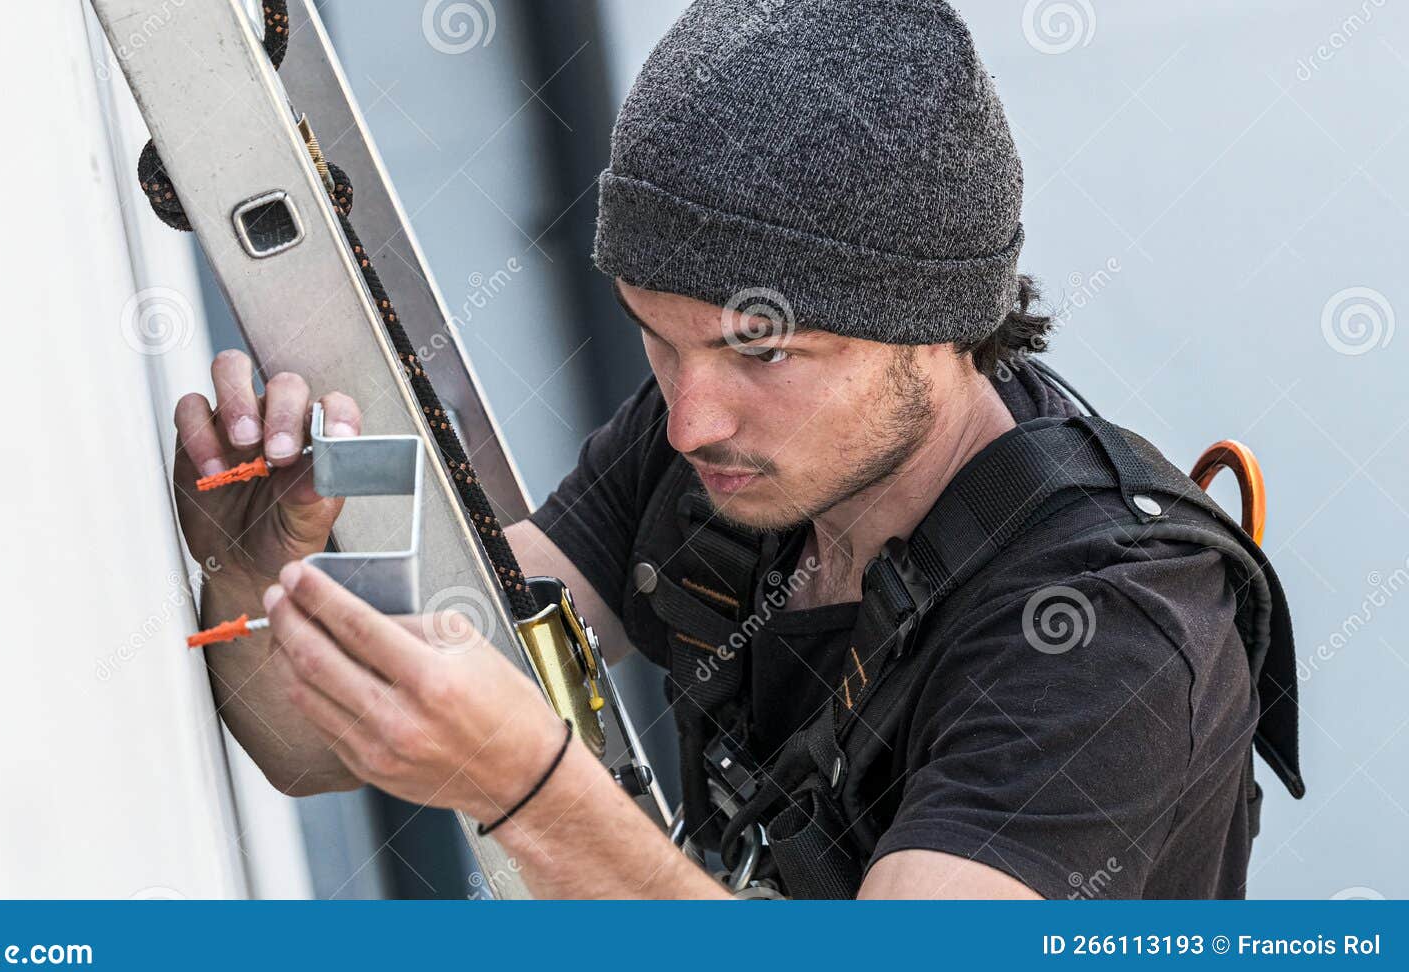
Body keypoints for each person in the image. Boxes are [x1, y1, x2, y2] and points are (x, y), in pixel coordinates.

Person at [170, 0, 1298, 898]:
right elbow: (310, 750)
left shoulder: (1107, 639)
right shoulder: (718, 459)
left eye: (764, 356)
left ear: (938, 324)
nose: (687, 419)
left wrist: (532, 795)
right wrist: (256, 567)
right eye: (656, 342)